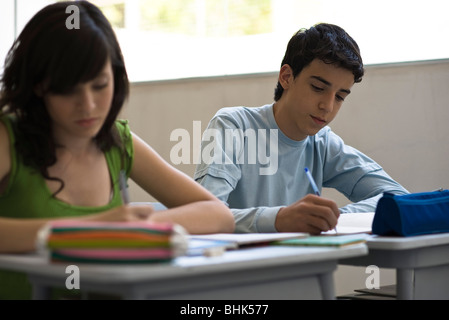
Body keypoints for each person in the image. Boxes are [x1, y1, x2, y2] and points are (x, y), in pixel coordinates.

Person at [0, 1, 234, 299]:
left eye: (100, 85)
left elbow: (218, 214)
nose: (88, 105)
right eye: (68, 90)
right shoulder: (7, 137)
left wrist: (135, 227)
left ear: (116, 76)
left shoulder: (117, 141)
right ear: (37, 87)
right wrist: (92, 229)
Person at [194, 23, 409, 234]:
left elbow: (397, 197)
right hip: (240, 267)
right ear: (287, 77)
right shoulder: (234, 126)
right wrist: (279, 220)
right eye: (318, 88)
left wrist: (328, 217)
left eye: (340, 96)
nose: (328, 105)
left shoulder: (322, 144)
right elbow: (205, 215)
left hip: (303, 266)